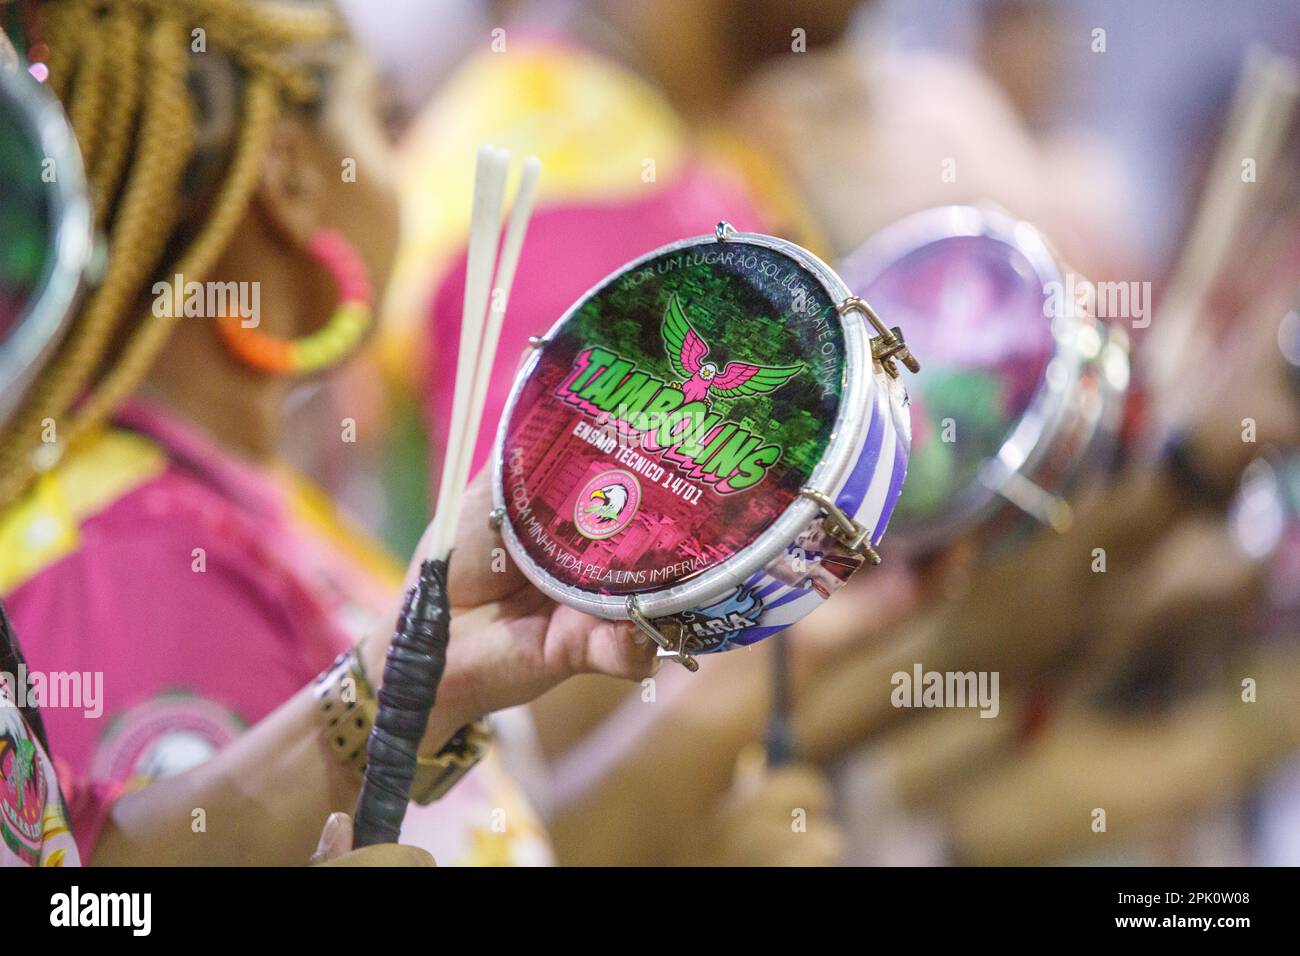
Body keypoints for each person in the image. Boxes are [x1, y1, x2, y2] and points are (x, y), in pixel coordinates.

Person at [0, 0, 652, 866]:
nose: (412, 168)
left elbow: (84, 874)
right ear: (291, 180)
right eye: (383, 120)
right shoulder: (135, 556)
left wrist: (401, 690)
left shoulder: (226, 499)